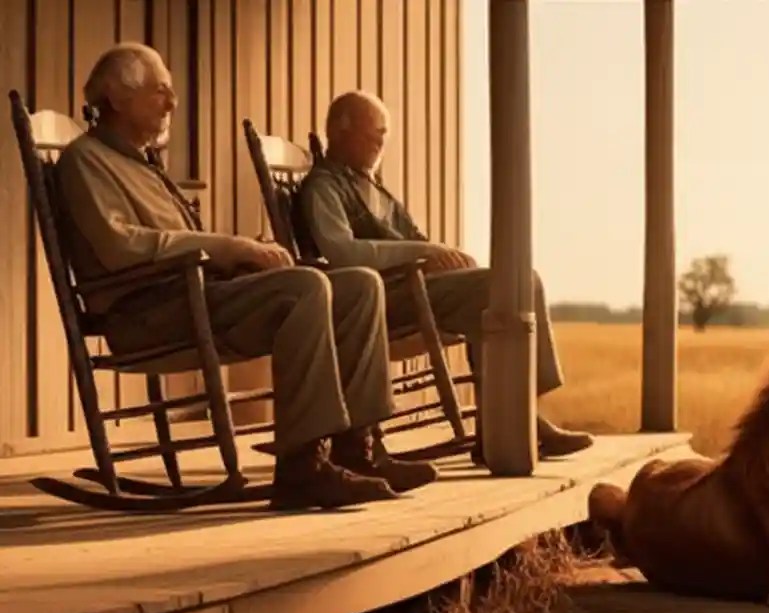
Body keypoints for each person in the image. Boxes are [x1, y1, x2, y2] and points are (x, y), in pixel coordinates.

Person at [57, 42, 439, 510]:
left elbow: (181, 245)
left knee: (359, 285)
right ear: (117, 98)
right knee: (306, 287)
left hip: (197, 294)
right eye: (160, 91)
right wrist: (229, 247)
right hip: (147, 312)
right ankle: (302, 467)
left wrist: (244, 254)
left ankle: (359, 451)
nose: (173, 103)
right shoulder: (86, 160)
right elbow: (122, 249)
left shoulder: (143, 164)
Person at [294, 90, 594, 463]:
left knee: (516, 283)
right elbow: (342, 252)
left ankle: (507, 424)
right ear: (340, 130)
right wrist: (423, 253)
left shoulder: (371, 187)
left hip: (414, 287)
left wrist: (442, 257)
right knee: (505, 287)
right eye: (374, 132)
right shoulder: (324, 186)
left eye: (384, 133)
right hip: (379, 300)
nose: (380, 141)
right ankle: (516, 424)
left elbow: (417, 240)